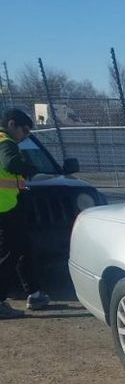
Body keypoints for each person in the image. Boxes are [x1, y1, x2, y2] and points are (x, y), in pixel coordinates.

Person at [0, 108, 49, 319]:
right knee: (9, 253)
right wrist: (29, 168)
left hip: (10, 205)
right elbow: (10, 163)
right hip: (5, 207)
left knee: (23, 248)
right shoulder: (5, 142)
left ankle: (35, 294)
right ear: (12, 125)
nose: (26, 136)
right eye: (25, 131)